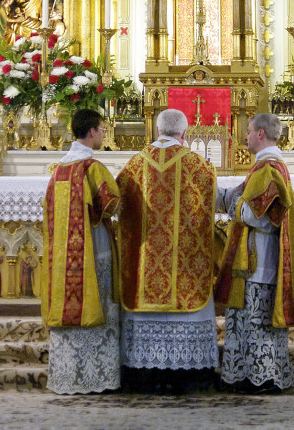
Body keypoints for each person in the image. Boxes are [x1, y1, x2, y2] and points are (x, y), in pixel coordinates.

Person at [116, 108, 218, 393]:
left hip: (144, 269)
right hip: (185, 269)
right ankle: (188, 377)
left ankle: (144, 374)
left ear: (156, 130)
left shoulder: (134, 165)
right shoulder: (199, 166)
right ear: (185, 134)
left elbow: (118, 207)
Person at [215, 113, 294, 393]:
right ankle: (251, 374)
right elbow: (245, 197)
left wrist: (234, 205)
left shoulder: (268, 168)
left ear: (262, 134)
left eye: (249, 131)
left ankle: (260, 377)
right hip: (258, 254)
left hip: (258, 257)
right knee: (252, 319)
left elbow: (253, 214)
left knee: (255, 320)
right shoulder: (266, 166)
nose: (245, 136)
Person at [42, 107, 121, 394]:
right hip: (93, 252)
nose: (102, 134)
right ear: (91, 132)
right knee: (98, 303)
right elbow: (112, 204)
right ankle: (98, 376)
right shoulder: (92, 167)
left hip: (64, 259)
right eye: (101, 129)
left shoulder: (59, 169)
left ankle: (68, 375)